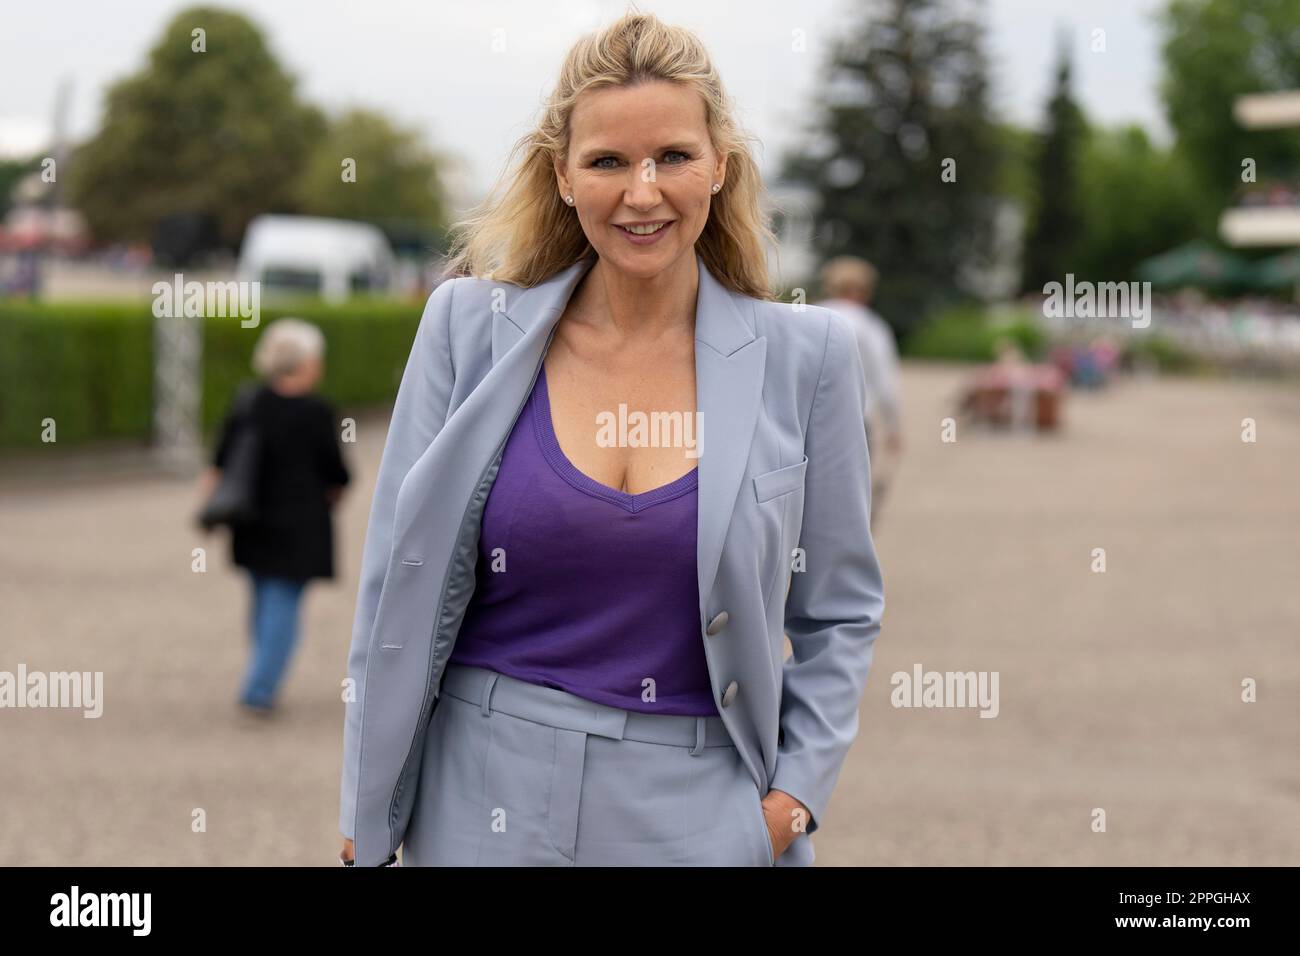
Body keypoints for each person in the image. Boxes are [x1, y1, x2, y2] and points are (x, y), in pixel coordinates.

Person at [339, 11, 884, 867]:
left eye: (673, 156)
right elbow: (392, 582)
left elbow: (841, 609)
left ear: (719, 167)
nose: (642, 191)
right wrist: (367, 804)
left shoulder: (808, 357)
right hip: (479, 795)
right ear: (561, 175)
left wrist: (788, 805)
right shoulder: (464, 328)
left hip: (702, 807)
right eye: (606, 161)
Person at [201, 318, 350, 715]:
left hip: (251, 521)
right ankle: (259, 689)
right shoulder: (317, 412)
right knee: (282, 605)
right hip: (299, 526)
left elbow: (219, 461)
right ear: (305, 363)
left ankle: (260, 673)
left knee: (262, 599)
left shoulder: (248, 402)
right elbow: (337, 473)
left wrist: (211, 506)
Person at [815, 256, 903, 525]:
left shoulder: (809, 315)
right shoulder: (871, 326)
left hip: (808, 420)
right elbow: (885, 382)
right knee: (850, 499)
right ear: (864, 290)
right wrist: (894, 425)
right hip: (854, 421)